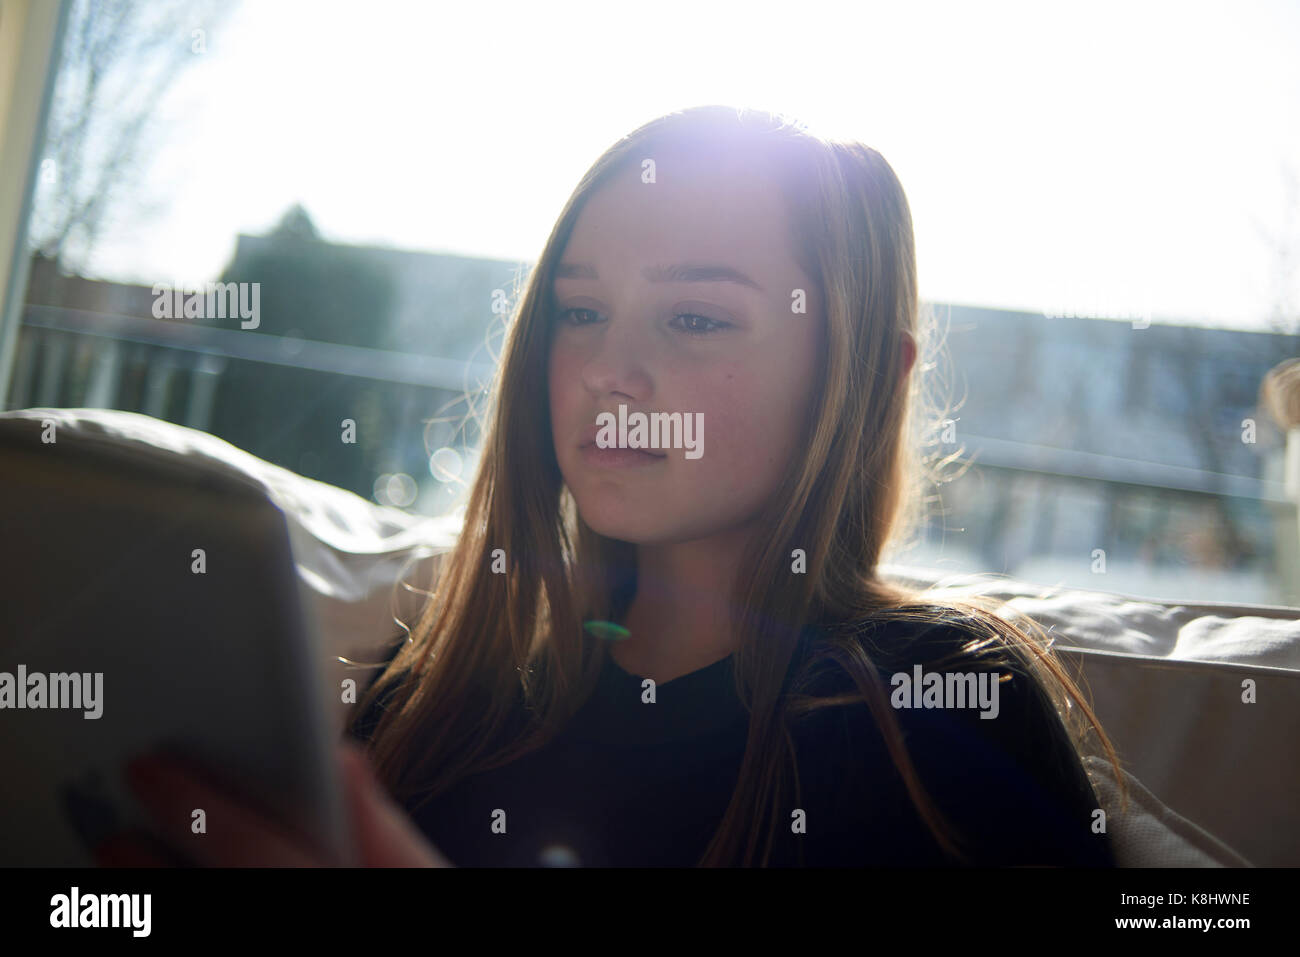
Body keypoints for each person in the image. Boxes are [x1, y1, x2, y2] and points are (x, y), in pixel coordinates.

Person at [104, 104, 1126, 868]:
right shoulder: (445, 688)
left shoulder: (943, 710)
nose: (604, 372)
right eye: (580, 311)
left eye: (695, 319)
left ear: (863, 377)